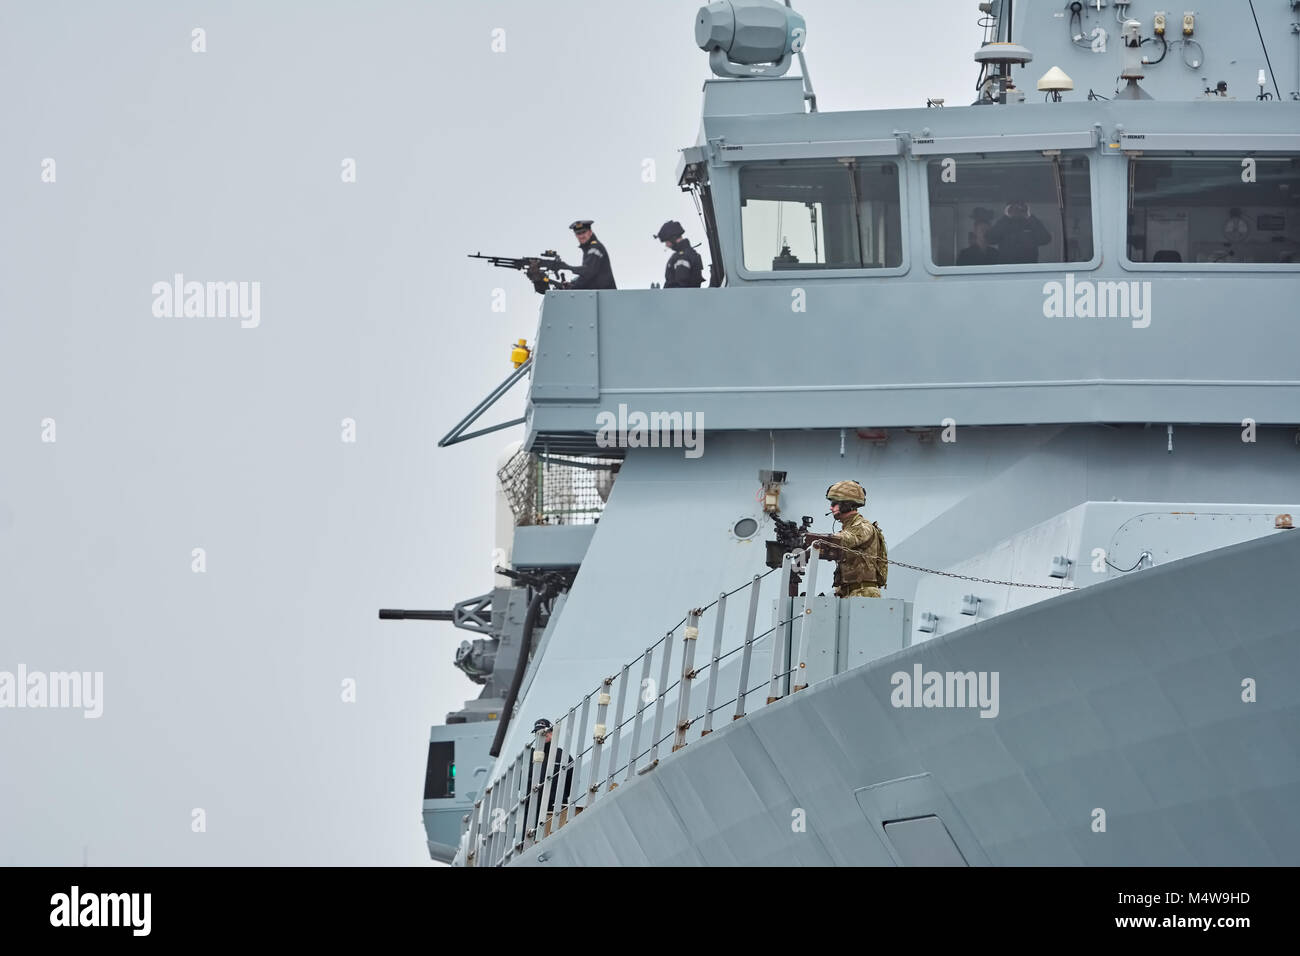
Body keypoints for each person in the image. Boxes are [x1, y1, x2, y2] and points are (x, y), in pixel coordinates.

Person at [805, 480, 887, 598]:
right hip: (849, 592)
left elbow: (844, 540)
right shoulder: (849, 528)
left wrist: (810, 539)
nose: (831, 507)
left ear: (846, 505)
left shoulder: (862, 526)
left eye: (834, 504)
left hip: (863, 593)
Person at [524, 718, 573, 814]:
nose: (542, 735)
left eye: (544, 732)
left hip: (556, 806)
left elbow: (571, 781)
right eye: (538, 733)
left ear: (552, 733)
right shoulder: (529, 756)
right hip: (533, 806)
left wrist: (560, 797)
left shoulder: (562, 755)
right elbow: (522, 783)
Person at [986, 199, 1052, 264]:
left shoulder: (1031, 224)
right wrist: (1006, 217)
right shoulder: (1003, 225)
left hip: (1028, 268)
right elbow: (990, 239)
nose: (1016, 210)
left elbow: (1045, 239)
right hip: (1006, 268)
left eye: (1020, 208)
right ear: (1008, 210)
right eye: (1012, 208)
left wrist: (1029, 216)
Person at [559, 220, 616, 290]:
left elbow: (588, 272)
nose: (581, 236)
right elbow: (588, 275)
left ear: (590, 232)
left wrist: (573, 286)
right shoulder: (589, 248)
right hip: (599, 294)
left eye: (584, 232)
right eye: (578, 233)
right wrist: (573, 283)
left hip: (605, 296)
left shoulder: (595, 248)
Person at [654, 220, 704, 288]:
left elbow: (681, 286)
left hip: (679, 297)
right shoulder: (688, 254)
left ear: (673, 238)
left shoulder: (683, 257)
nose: (667, 245)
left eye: (667, 241)